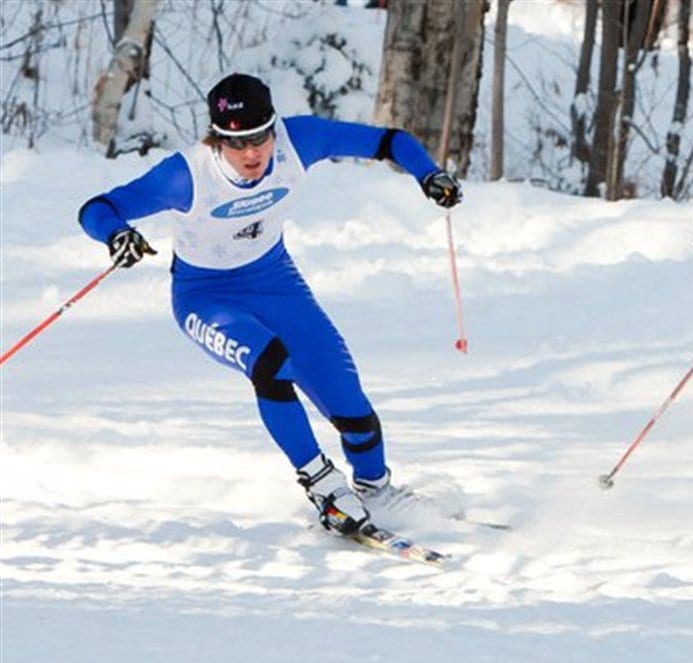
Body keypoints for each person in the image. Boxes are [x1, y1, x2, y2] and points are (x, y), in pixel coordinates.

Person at [77, 73, 463, 536]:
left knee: (350, 405)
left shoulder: (299, 140)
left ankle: (376, 488)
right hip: (206, 298)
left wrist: (428, 173)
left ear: (273, 127)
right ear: (216, 138)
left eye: (259, 137)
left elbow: (388, 141)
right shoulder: (187, 174)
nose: (250, 154)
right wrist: (117, 233)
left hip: (277, 282)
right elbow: (98, 207)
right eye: (235, 142)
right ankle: (323, 486)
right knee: (270, 363)